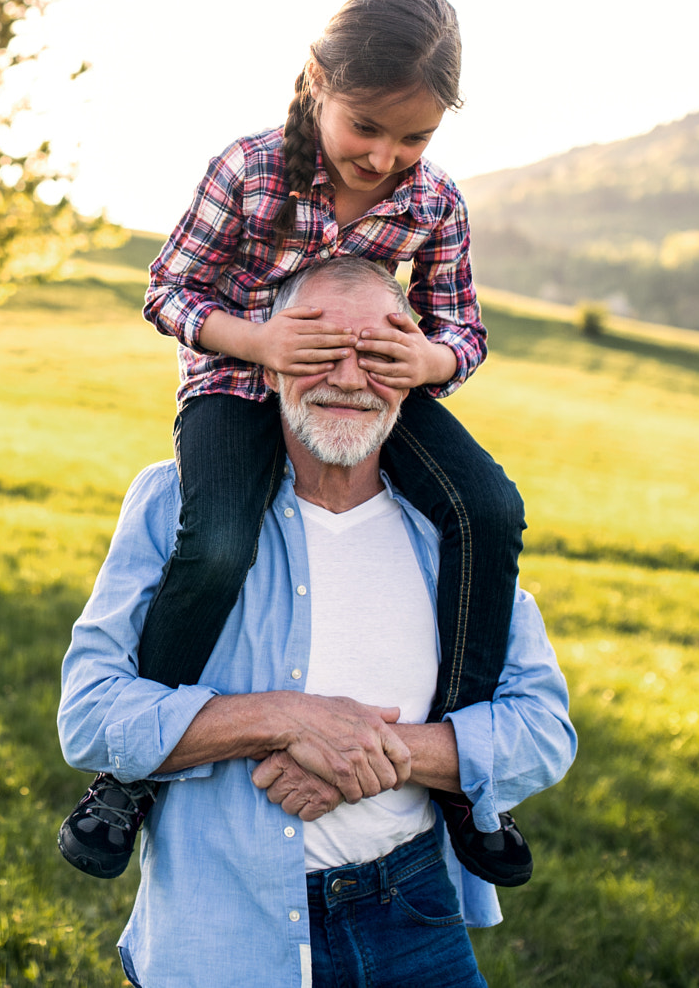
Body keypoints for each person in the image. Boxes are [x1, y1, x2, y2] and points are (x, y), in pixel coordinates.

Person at [58, 0, 534, 886]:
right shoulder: (249, 169)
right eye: (368, 127)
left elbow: (462, 330)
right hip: (239, 381)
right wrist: (262, 342)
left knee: (488, 509)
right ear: (318, 81)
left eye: (415, 137)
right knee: (219, 542)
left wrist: (426, 364)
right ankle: (126, 782)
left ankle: (465, 782)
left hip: (369, 384)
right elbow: (168, 291)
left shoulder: (432, 202)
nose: (387, 155)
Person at [57, 257, 576, 988]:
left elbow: (543, 731)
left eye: (376, 353)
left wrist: (366, 748)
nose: (349, 377)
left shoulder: (454, 532)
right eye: (320, 348)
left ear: (413, 373)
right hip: (223, 925)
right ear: (268, 363)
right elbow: (89, 716)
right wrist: (283, 717)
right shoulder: (180, 503)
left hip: (412, 912)